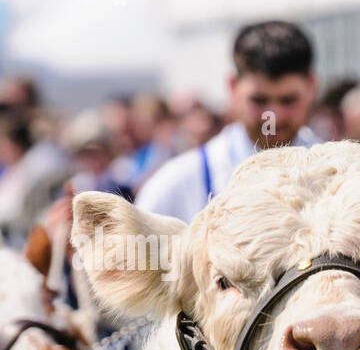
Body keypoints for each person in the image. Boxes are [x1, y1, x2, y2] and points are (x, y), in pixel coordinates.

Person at [135, 20, 320, 222]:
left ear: (311, 87)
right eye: (259, 100)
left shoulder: (342, 176)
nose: (273, 116)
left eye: (288, 100)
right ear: (232, 87)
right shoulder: (174, 185)